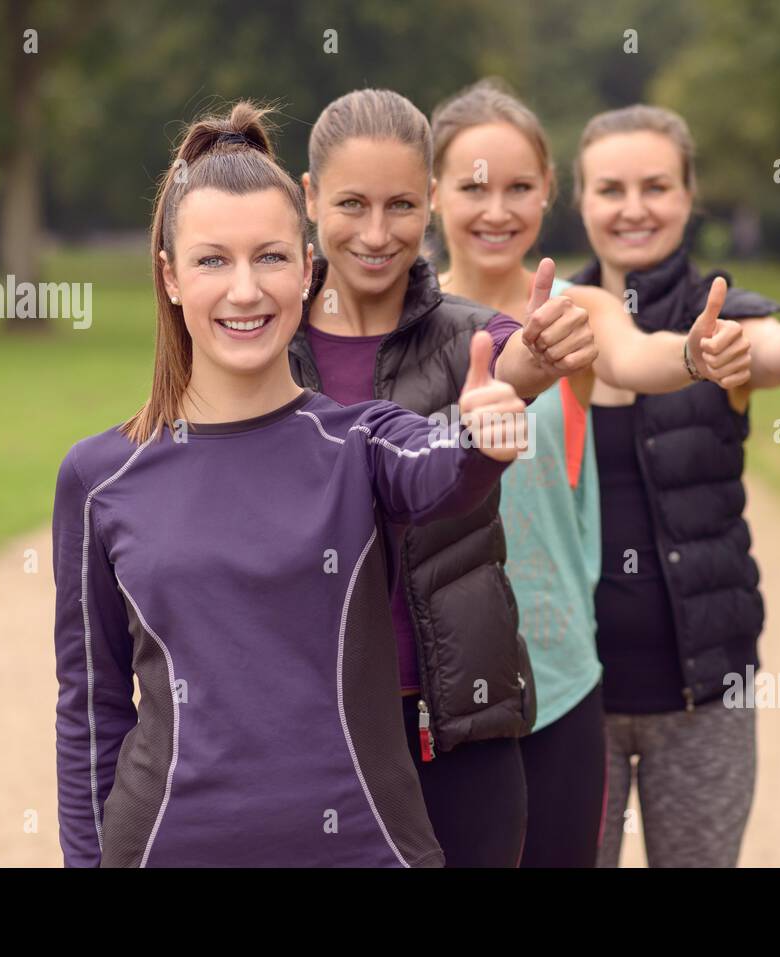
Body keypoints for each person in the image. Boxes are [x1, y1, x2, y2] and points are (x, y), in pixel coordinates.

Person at [51, 101, 527, 867]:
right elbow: (91, 712)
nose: (246, 290)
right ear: (170, 277)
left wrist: (484, 433)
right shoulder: (100, 477)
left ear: (306, 271)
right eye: (213, 260)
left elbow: (447, 469)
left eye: (270, 257)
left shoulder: (361, 441)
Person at [428, 78, 752, 866]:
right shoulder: (405, 323)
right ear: (432, 194)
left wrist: (690, 355)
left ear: (548, 196)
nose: (496, 209)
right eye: (472, 187)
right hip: (437, 681)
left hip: (563, 675)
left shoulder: (581, 311)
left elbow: (640, 357)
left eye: (519, 188)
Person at [571, 104, 780, 868]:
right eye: (610, 189)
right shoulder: (552, 319)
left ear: (690, 196)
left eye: (656, 186)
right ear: (581, 200)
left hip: (704, 689)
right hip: (570, 698)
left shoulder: (719, 316)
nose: (633, 208)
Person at [289, 88, 598, 866]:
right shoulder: (267, 338)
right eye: (350, 203)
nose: (375, 232)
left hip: (456, 725)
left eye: (400, 205)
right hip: (306, 724)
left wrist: (527, 368)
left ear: (428, 200)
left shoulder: (470, 334)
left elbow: (514, 361)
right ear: (308, 195)